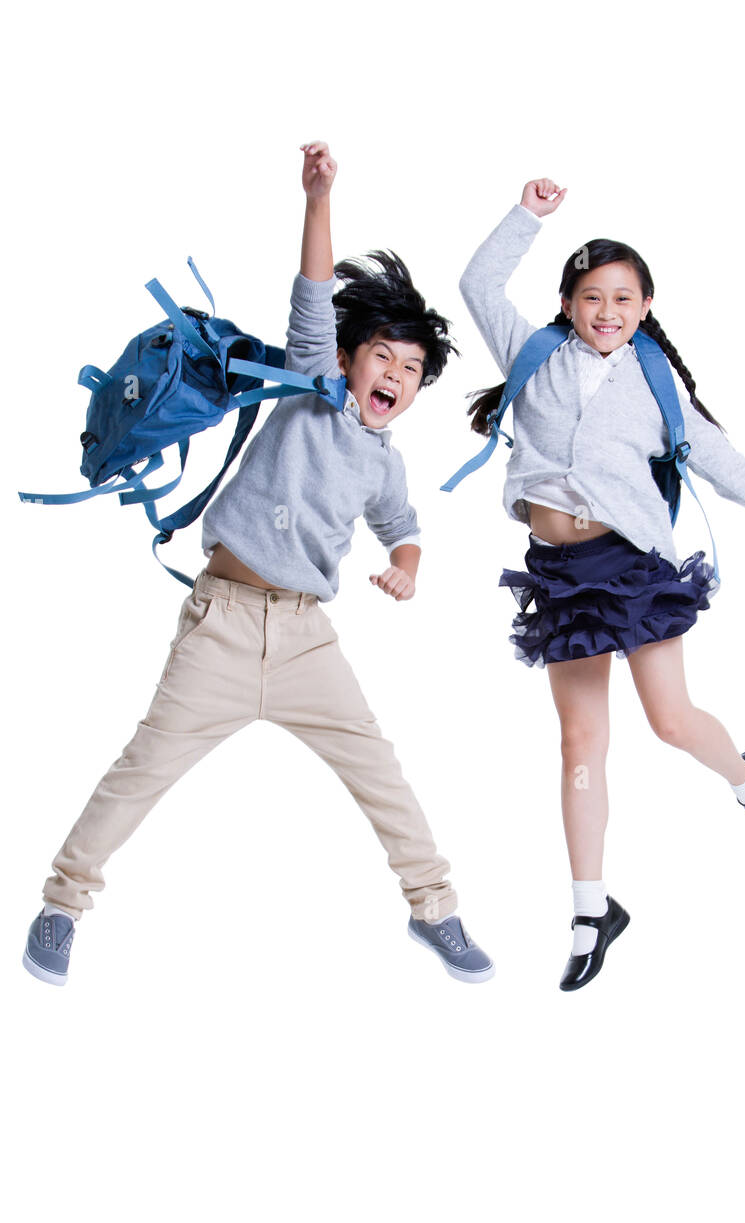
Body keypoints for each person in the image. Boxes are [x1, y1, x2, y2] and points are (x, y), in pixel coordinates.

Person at [22, 141, 494, 988]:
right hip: (224, 628)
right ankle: (60, 907)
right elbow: (313, 297)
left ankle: (438, 913)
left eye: (413, 370)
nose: (395, 373)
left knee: (381, 772)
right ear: (350, 357)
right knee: (143, 768)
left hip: (310, 640)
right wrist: (317, 198)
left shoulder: (385, 461)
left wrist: (410, 568)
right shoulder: (312, 381)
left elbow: (403, 526)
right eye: (383, 355)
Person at [458, 177, 745, 993]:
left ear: (646, 306)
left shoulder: (656, 381)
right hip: (561, 575)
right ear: (568, 302)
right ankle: (589, 909)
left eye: (624, 298)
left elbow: (724, 462)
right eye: (592, 296)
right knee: (579, 742)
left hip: (632, 567)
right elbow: (476, 283)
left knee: (670, 722)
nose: (608, 310)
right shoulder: (532, 356)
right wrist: (528, 215)